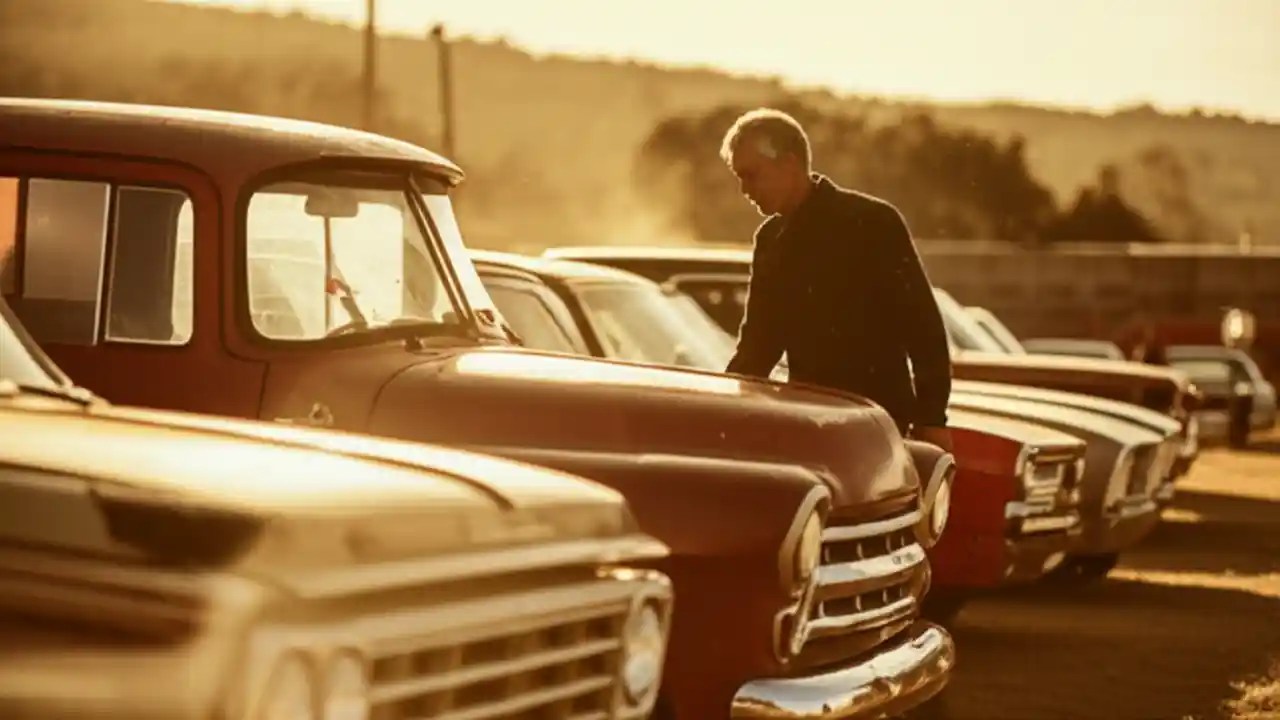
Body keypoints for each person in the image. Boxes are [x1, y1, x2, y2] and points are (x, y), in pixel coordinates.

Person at [720, 108, 954, 450]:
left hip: (878, 423)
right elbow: (758, 343)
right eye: (739, 177)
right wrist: (726, 407)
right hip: (811, 422)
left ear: (789, 164)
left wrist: (932, 418)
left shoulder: (872, 222)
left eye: (751, 175)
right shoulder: (771, 239)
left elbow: (922, 327)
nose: (743, 189)